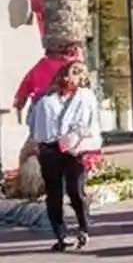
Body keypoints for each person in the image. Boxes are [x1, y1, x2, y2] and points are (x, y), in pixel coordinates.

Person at [28, 61, 101, 251]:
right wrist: (35, 145)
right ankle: (60, 236)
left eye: (75, 74)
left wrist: (80, 141)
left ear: (82, 78)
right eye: (67, 73)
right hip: (49, 149)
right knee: (54, 194)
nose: (69, 78)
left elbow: (91, 124)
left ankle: (83, 228)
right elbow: (33, 121)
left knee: (75, 190)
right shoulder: (45, 98)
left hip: (74, 150)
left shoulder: (86, 98)